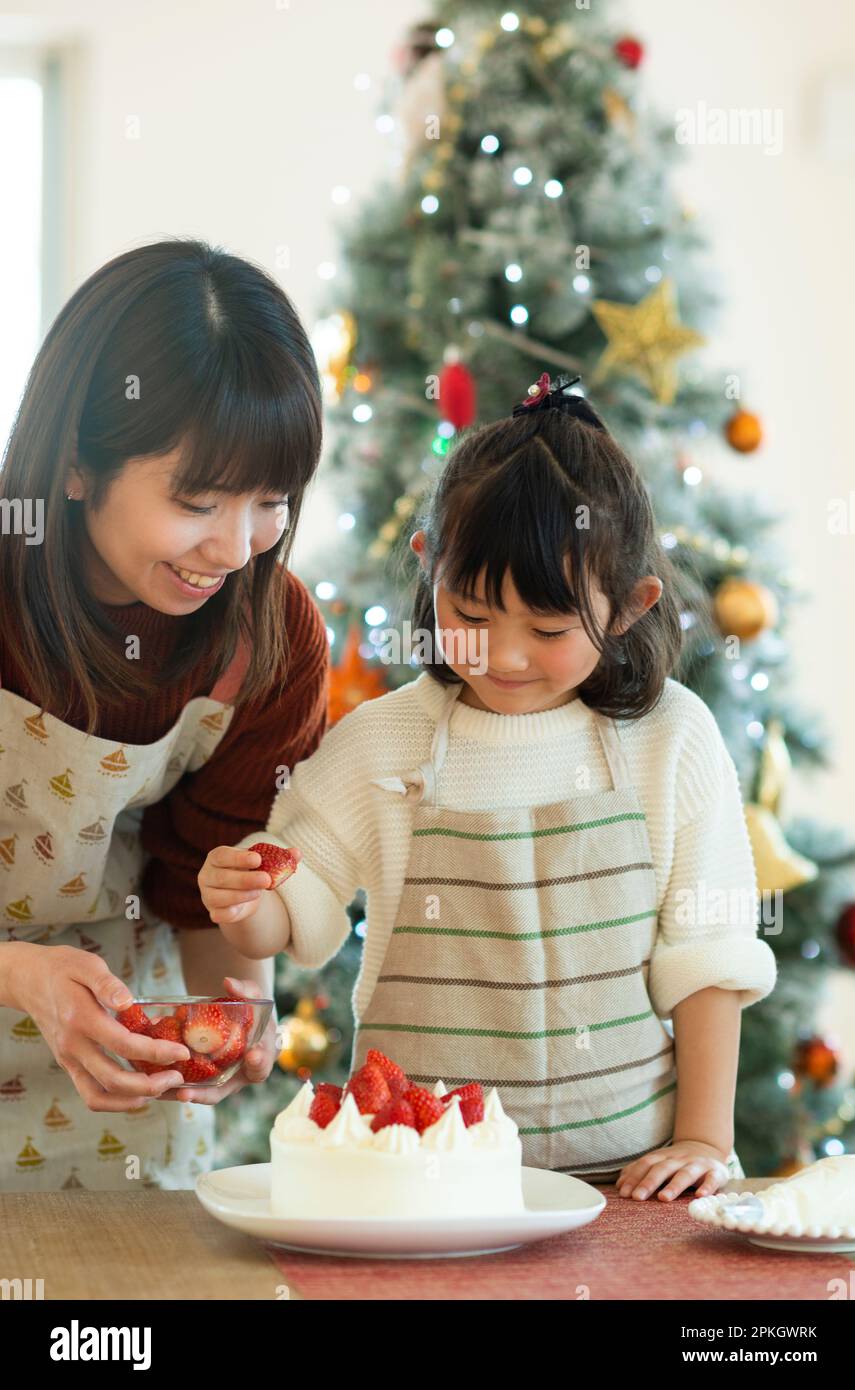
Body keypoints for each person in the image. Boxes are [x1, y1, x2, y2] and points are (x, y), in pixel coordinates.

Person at [199, 371, 777, 1202]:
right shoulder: (384, 739)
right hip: (417, 1186)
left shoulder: (669, 737)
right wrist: (248, 900)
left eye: (546, 629)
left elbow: (709, 959)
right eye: (469, 614)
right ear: (426, 564)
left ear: (628, 605)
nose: (503, 656)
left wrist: (704, 1140)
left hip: (626, 1184)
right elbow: (299, 896)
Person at [0, 238, 329, 1190]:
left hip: (116, 1077)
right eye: (197, 501)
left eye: (272, 501)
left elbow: (204, 883)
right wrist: (22, 976)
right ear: (75, 468)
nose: (235, 547)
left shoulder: (269, 636)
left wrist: (240, 1007)